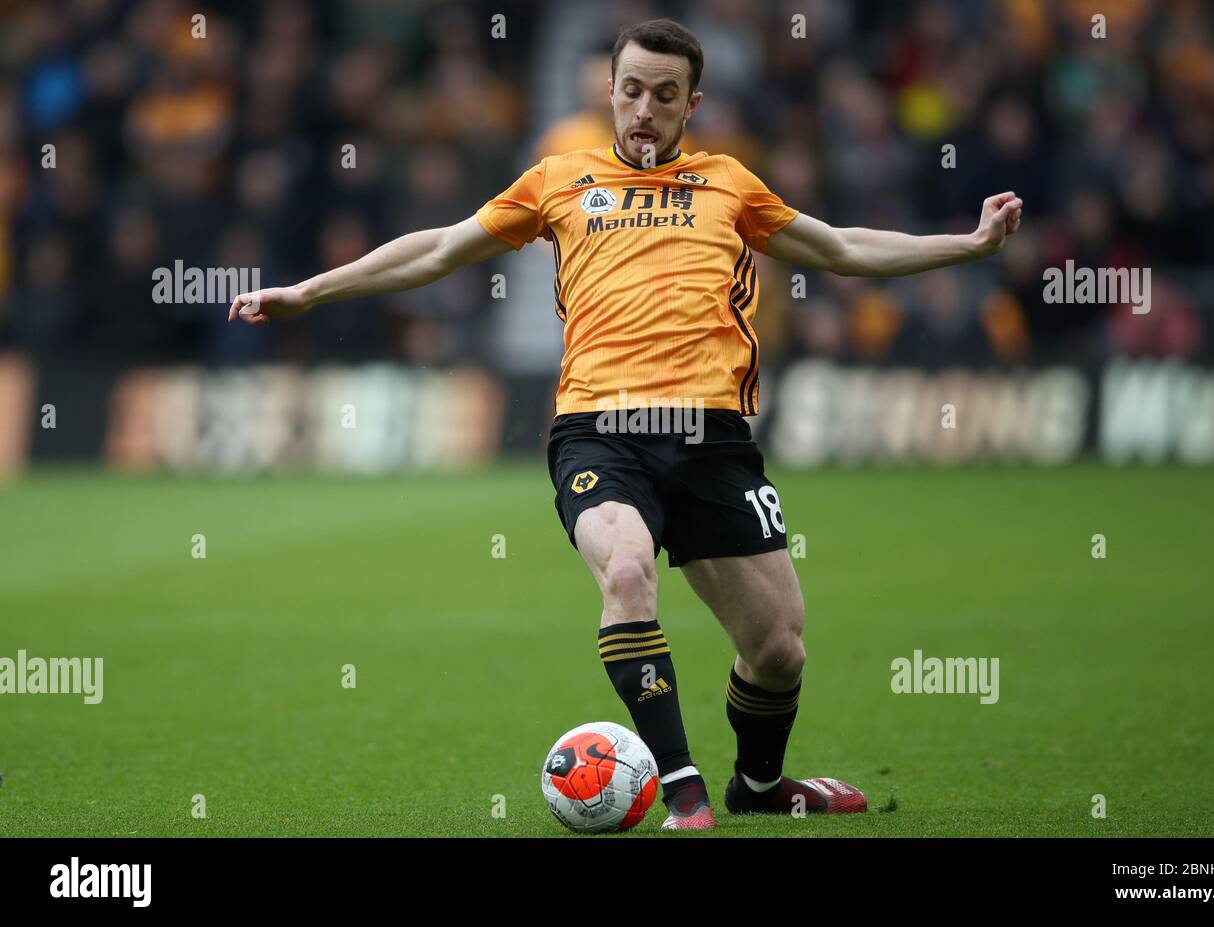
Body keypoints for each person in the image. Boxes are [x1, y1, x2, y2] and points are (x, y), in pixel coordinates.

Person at [229, 18, 1023, 830]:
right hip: (598, 432)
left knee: (780, 650)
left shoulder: (730, 185)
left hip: (713, 439)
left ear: (692, 104)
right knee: (628, 571)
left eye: (665, 95)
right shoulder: (559, 179)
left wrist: (967, 246)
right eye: (632, 90)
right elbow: (437, 249)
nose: (645, 109)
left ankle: (757, 786)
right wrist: (310, 291)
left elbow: (845, 248)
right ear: (609, 92)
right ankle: (682, 790)